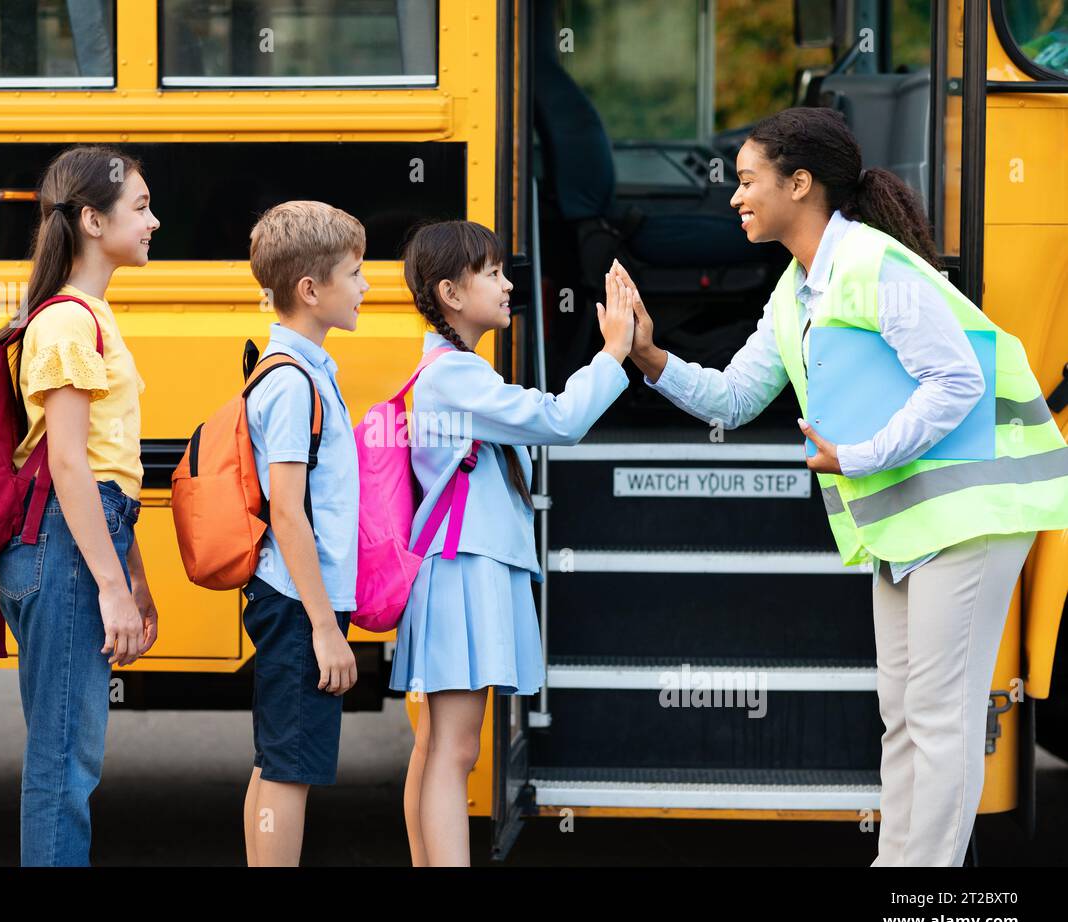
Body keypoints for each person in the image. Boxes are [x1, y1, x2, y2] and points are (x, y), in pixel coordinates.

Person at [619, 106, 1068, 866]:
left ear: (801, 184)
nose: (735, 197)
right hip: (908, 518)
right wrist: (649, 355)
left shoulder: (876, 266)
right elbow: (735, 398)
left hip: (970, 509)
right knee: (904, 717)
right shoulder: (800, 288)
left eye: (747, 181)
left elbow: (957, 381)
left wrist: (862, 453)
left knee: (938, 716)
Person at [394, 219, 634, 866]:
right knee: (455, 748)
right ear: (449, 292)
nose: (508, 285)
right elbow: (558, 420)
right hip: (461, 566)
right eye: (493, 273)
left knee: (438, 744)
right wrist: (613, 353)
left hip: (459, 565)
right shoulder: (455, 377)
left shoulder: (455, 371)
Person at [0, 145, 160, 866]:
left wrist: (134, 578)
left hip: (78, 542)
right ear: (93, 219)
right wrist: (113, 588)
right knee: (63, 765)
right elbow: (66, 463)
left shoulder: (88, 315)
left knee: (71, 758)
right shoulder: (66, 322)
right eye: (141, 208)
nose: (155, 221)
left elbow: (107, 467)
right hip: (62, 549)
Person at [240, 200, 367, 866]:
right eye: (354, 272)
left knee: (277, 760)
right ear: (311, 290)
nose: (366, 286)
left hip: (290, 598)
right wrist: (325, 629)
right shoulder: (293, 384)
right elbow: (287, 511)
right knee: (290, 769)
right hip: (297, 603)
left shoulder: (305, 371)